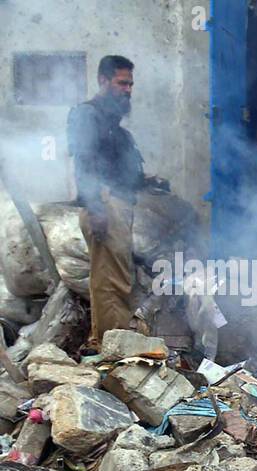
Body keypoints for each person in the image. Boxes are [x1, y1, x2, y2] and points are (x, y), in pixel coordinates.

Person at [67, 55, 163, 344]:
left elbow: (117, 167)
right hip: (104, 204)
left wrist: (148, 182)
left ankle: (110, 342)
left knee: (117, 279)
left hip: (117, 204)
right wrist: (95, 207)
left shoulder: (115, 126)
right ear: (103, 80)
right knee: (110, 282)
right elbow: (84, 163)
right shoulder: (87, 115)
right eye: (122, 82)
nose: (128, 89)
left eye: (131, 83)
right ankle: (112, 348)